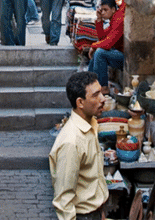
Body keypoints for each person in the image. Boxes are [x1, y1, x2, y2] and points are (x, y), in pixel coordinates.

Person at [49, 71, 108, 220]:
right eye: (95, 95)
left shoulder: (90, 125)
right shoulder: (71, 142)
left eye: (101, 92)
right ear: (80, 103)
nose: (103, 99)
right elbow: (63, 202)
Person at [86, 0, 125, 94]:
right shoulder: (114, 19)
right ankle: (90, 83)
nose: (102, 12)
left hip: (124, 57)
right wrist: (99, 20)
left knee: (99, 52)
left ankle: (104, 87)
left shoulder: (119, 19)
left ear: (113, 9)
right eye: (101, 10)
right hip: (117, 54)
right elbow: (103, 38)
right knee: (97, 52)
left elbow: (108, 43)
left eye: (105, 10)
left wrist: (93, 46)